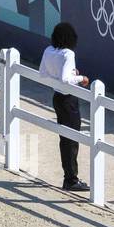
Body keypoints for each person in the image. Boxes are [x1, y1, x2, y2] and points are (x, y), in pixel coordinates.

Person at [39, 22, 90, 192]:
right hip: (68, 100)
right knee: (71, 140)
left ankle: (69, 177)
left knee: (65, 139)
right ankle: (71, 179)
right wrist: (81, 78)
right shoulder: (68, 54)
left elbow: (43, 73)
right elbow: (66, 79)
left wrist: (66, 75)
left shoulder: (48, 51)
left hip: (57, 98)